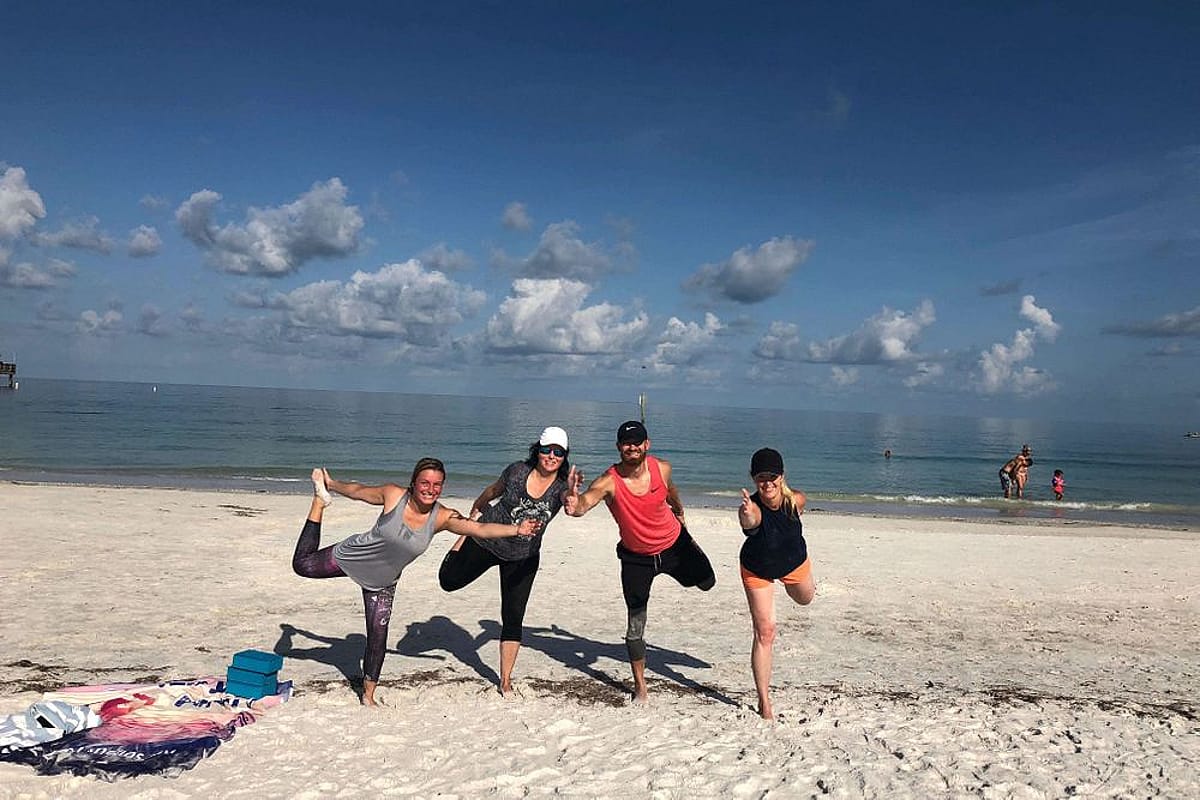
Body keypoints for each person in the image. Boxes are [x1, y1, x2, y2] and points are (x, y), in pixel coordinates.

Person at [291, 460, 542, 706]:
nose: (430, 489)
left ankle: (368, 696)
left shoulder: (442, 517)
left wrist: (516, 530)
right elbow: (358, 491)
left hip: (382, 583)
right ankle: (319, 502)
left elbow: (479, 529)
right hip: (355, 556)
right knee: (302, 565)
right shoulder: (393, 495)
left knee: (377, 639)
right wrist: (332, 484)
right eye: (425, 483)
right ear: (413, 483)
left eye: (437, 484)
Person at [563, 420, 716, 702]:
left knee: (708, 582)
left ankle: (690, 558)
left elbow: (670, 490)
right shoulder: (608, 482)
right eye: (626, 443)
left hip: (675, 546)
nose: (631, 447)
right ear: (618, 447)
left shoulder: (662, 468)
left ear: (647, 444)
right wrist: (574, 503)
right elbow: (584, 504)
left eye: (637, 442)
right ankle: (640, 687)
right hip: (636, 559)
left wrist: (679, 511)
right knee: (635, 625)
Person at [438, 426, 573, 696]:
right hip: (488, 540)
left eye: (558, 452)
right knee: (448, 581)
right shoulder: (517, 472)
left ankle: (505, 680)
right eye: (547, 449)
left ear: (564, 456)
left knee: (513, 616)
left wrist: (574, 494)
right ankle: (466, 533)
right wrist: (475, 513)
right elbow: (492, 490)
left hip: (522, 557)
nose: (551, 456)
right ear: (538, 450)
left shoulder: (561, 488)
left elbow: (573, 507)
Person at [737, 447, 814, 720]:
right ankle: (764, 702)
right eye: (761, 477)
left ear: (782, 476)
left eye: (772, 476)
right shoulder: (752, 508)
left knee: (805, 598)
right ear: (753, 478)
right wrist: (747, 515)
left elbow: (794, 509)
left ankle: (790, 583)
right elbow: (751, 522)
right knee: (765, 631)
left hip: (793, 563)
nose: (767, 483)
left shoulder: (797, 501)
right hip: (757, 568)